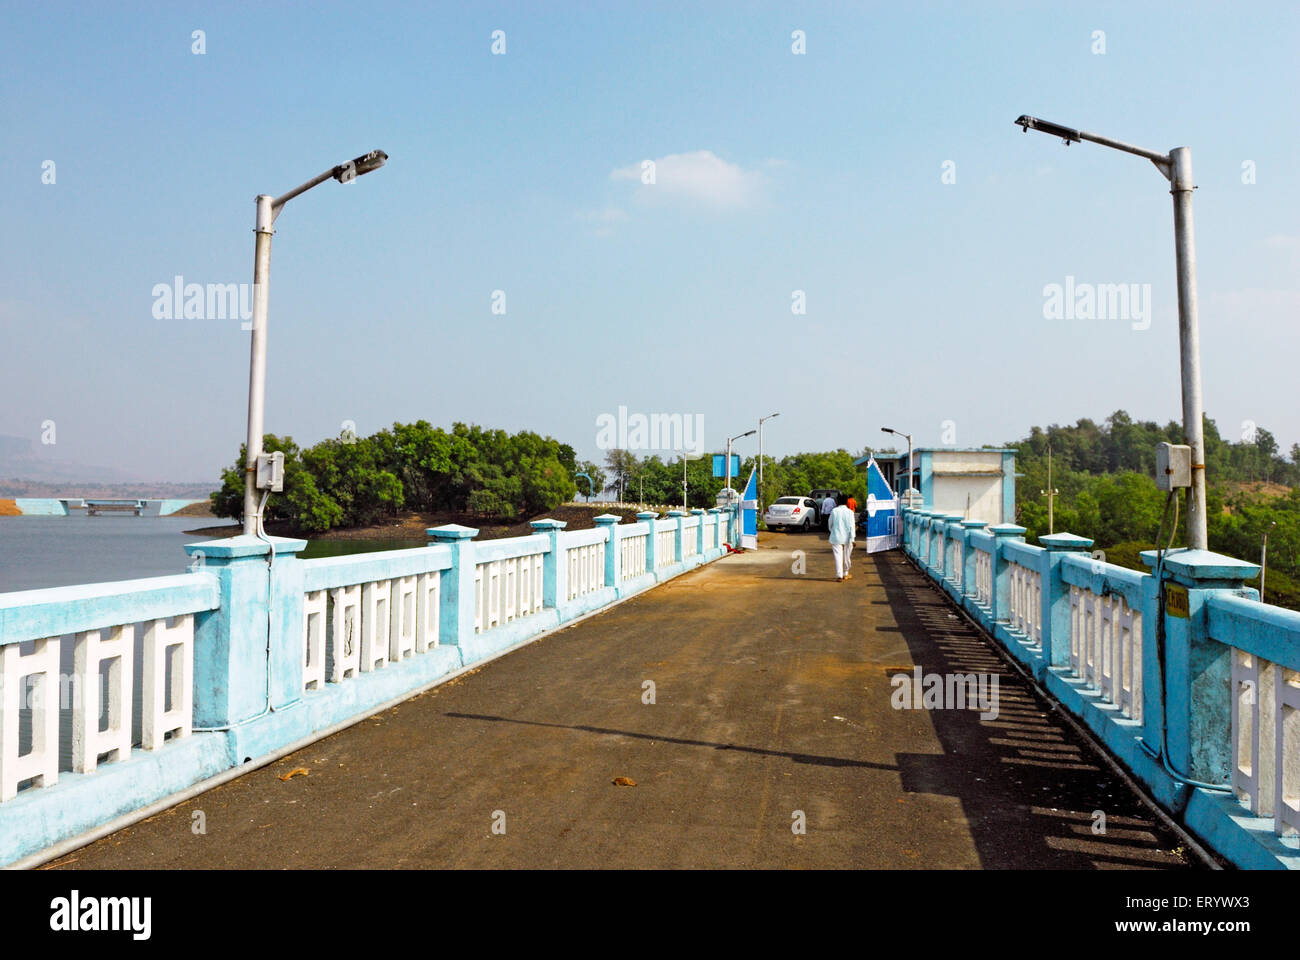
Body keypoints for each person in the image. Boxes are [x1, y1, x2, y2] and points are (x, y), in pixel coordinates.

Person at [828, 494, 856, 582]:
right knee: (847, 556)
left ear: (838, 502)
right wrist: (853, 539)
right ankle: (846, 573)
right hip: (848, 538)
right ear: (846, 502)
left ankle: (839, 575)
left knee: (838, 556)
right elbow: (852, 526)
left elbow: (830, 524)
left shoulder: (834, 511)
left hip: (836, 536)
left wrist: (832, 530)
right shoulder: (850, 512)